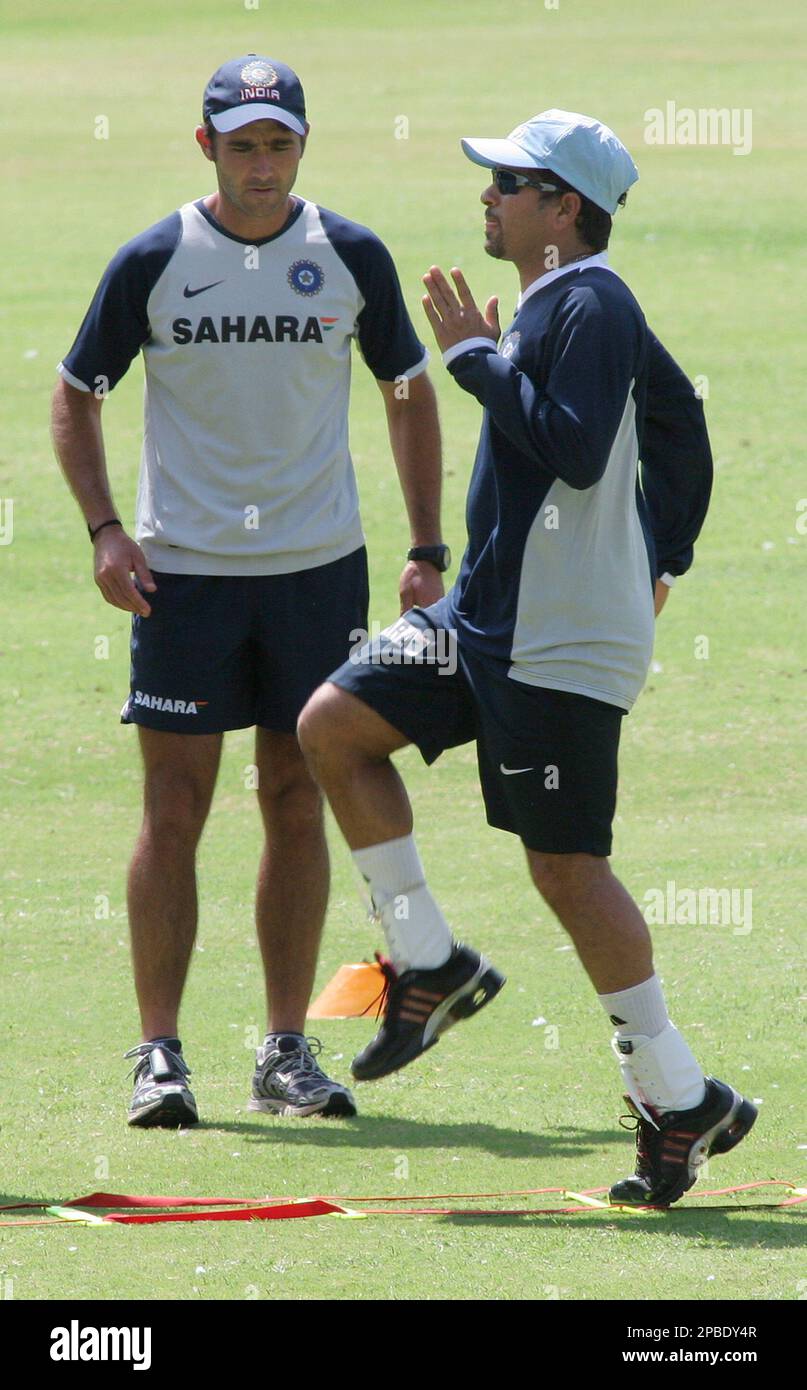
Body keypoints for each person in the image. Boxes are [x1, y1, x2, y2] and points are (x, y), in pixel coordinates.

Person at [297, 109, 757, 1206]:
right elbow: (680, 416)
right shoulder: (571, 303)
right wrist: (667, 550)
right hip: (485, 618)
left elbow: (574, 443)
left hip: (556, 644)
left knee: (565, 868)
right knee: (334, 727)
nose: (490, 196)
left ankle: (676, 1096)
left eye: (511, 181)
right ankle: (429, 961)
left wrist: (473, 363)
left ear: (566, 210)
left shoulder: (593, 298)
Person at [51, 54, 448, 1127]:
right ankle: (160, 1055)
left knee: (293, 797)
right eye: (242, 146)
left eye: (278, 145)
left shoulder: (350, 253)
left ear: (302, 147)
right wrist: (104, 532)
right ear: (207, 148)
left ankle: (283, 1049)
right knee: (173, 806)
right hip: (182, 578)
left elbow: (408, 392)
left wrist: (425, 543)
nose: (261, 166)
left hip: (318, 575)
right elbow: (75, 393)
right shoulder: (157, 257)